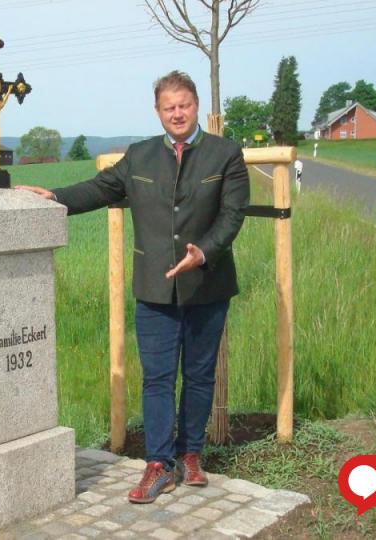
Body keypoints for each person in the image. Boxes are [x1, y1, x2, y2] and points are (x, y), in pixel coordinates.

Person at [17, 71, 249, 504]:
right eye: (168, 107)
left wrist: (205, 252)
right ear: (158, 111)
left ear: (196, 106)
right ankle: (159, 463)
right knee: (158, 379)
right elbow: (101, 188)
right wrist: (54, 198)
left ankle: (191, 454)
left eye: (184, 104)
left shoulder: (225, 154)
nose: (177, 113)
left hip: (208, 286)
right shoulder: (140, 156)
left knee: (199, 376)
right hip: (155, 290)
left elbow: (232, 215)